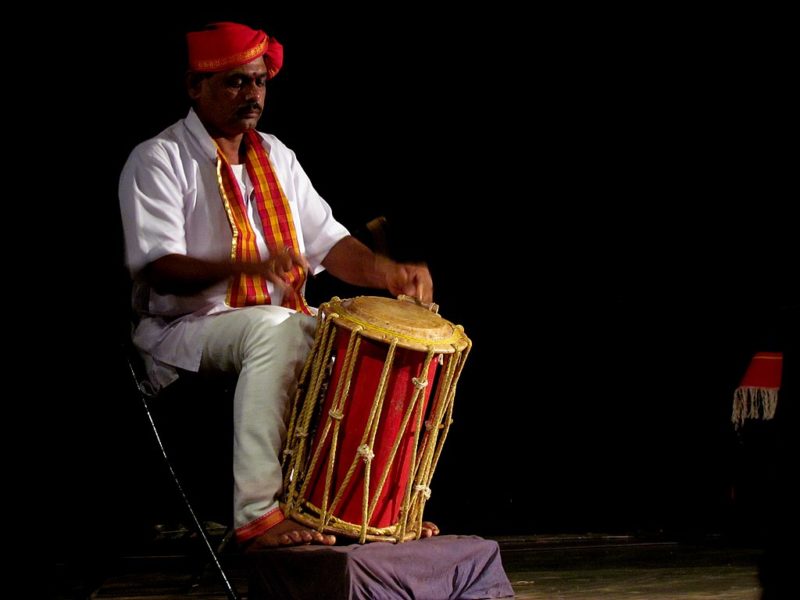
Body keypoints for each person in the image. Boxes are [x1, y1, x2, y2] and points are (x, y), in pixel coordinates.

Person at [119, 21, 437, 550]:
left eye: (259, 82)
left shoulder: (276, 157)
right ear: (194, 86)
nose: (253, 95)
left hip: (279, 324)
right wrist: (242, 268)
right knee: (277, 328)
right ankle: (257, 514)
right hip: (184, 330)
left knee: (370, 339)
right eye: (235, 82)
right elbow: (156, 266)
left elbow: (328, 241)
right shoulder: (158, 160)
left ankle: (372, 508)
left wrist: (389, 275)